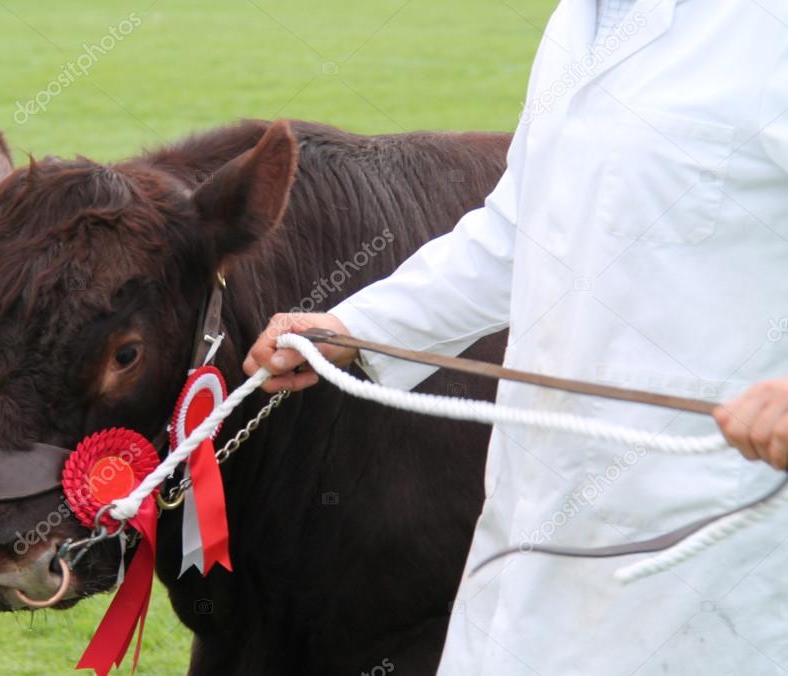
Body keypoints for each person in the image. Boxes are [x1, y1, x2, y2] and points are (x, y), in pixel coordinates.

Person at [244, 1, 788, 673]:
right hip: (538, 510)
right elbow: (518, 229)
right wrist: (360, 327)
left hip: (713, 533)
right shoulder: (577, 22)